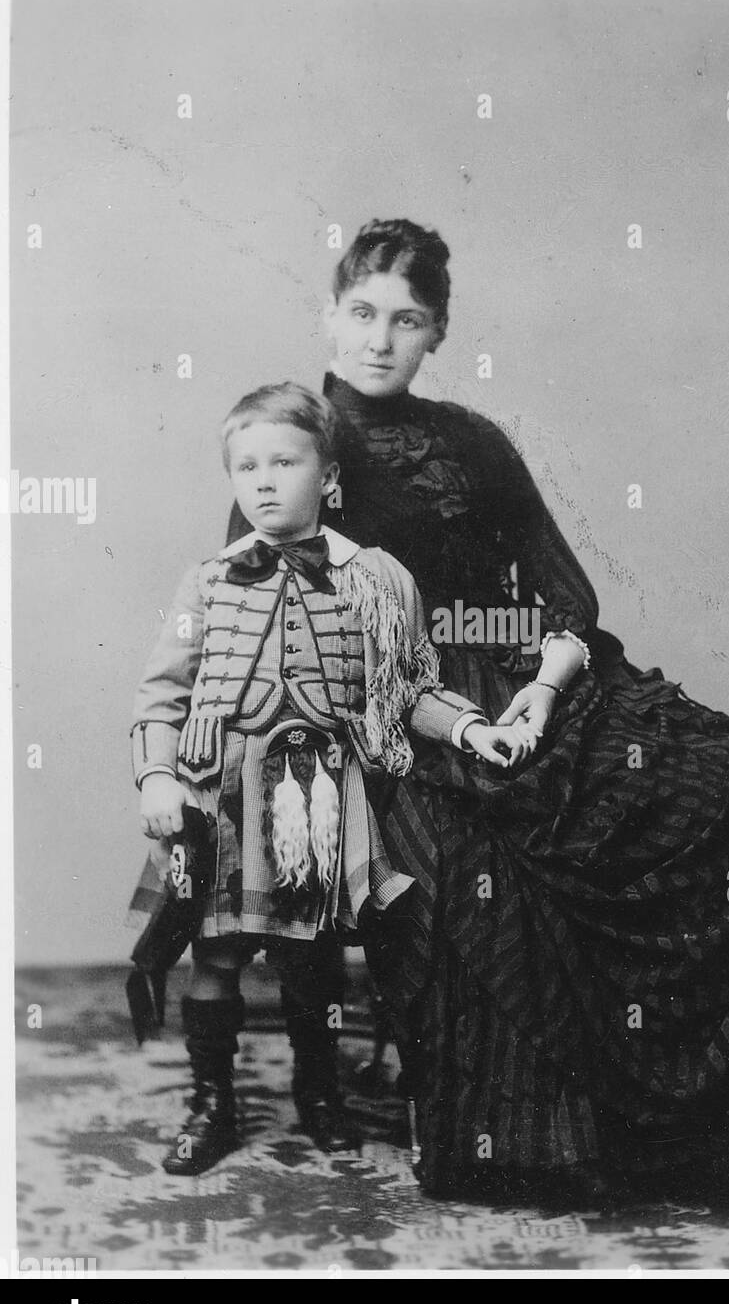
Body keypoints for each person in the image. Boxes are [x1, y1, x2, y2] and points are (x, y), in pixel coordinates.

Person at [229, 221, 729, 1202]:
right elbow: (243, 614)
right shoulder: (285, 438)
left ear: (438, 332)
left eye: (406, 319)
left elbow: (565, 591)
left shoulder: (471, 441)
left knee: (720, 780)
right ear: (329, 314)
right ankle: (551, 1133)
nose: (380, 339)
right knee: (483, 867)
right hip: (381, 709)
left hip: (520, 671)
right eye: (362, 312)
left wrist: (542, 691)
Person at [129, 381, 533, 1177]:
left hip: (317, 791)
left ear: (330, 475)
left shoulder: (376, 579)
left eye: (285, 460)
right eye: (247, 467)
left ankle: (321, 1092)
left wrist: (473, 728)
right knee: (216, 953)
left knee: (311, 957)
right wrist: (155, 777)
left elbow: (409, 690)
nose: (265, 481)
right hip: (224, 789)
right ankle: (212, 1101)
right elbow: (160, 695)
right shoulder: (206, 582)